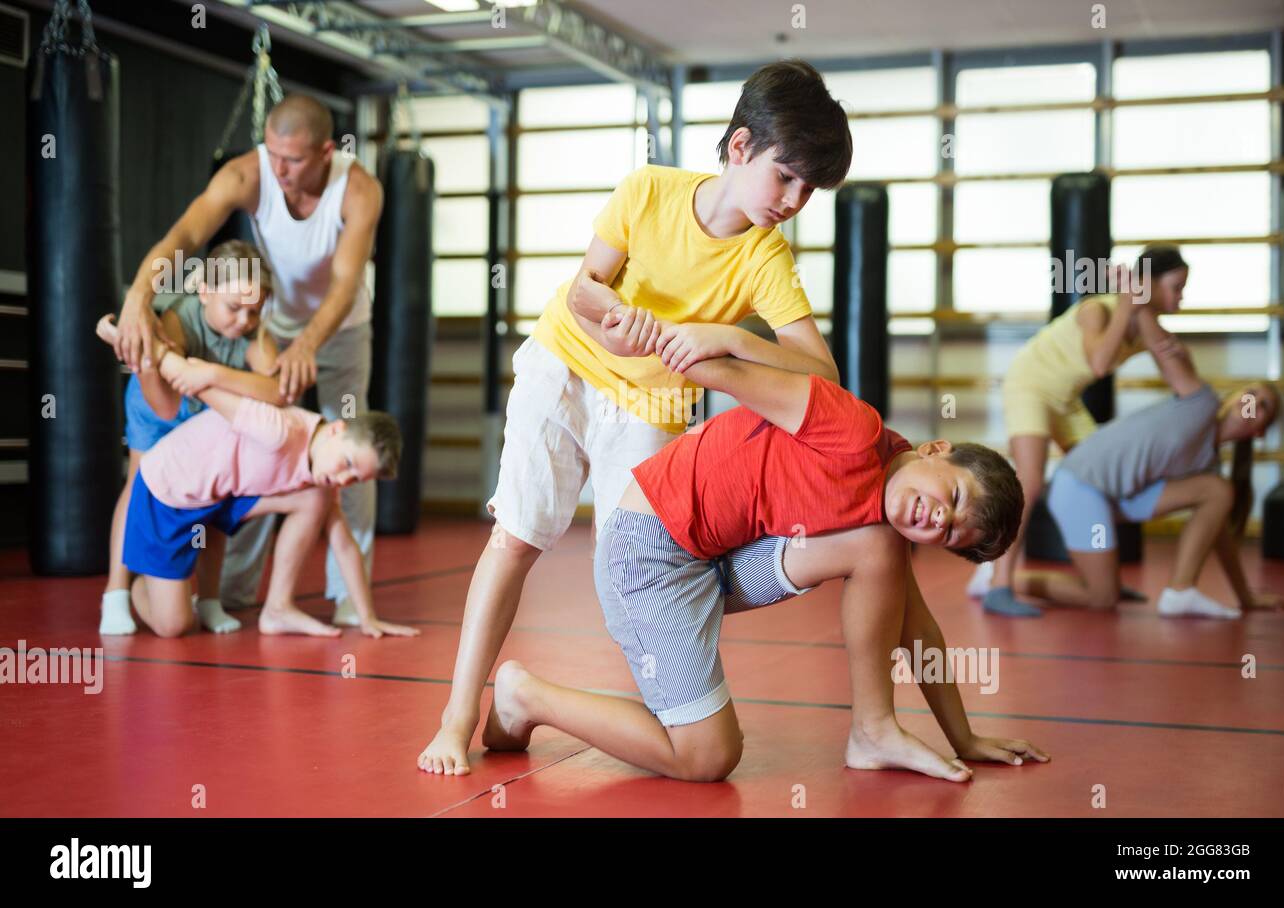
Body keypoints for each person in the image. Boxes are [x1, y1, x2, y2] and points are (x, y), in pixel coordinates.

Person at [419, 60, 854, 775]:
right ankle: (456, 716)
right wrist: (616, 319)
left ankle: (571, 703)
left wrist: (733, 337)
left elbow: (822, 373)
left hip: (651, 401)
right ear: (740, 147)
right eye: (787, 176)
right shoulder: (648, 189)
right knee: (518, 536)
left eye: (811, 189)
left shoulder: (765, 256)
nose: (795, 199)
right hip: (564, 364)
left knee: (640, 563)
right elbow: (586, 287)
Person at [424, 330, 1046, 782]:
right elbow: (724, 372)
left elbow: (920, 628)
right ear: (937, 448)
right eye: (954, 498)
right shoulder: (855, 432)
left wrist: (962, 737)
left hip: (712, 560)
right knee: (707, 757)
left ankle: (871, 731)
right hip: (649, 553)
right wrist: (687, 339)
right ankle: (524, 696)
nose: (937, 520)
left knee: (879, 549)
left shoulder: (881, 524)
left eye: (950, 535)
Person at [110, 94, 384, 628]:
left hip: (342, 329)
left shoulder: (358, 189)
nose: (279, 169)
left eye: (295, 160)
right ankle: (233, 590)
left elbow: (348, 281)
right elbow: (185, 237)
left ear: (327, 152)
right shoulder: (245, 175)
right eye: (273, 155)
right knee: (259, 442)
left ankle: (348, 594)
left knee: (349, 452)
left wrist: (308, 344)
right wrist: (138, 296)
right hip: (269, 322)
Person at [95, 316, 415, 640]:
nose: (344, 478)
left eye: (356, 479)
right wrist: (133, 341)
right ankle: (139, 586)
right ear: (336, 428)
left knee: (316, 500)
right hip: (170, 490)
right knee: (174, 627)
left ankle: (278, 608)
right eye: (347, 463)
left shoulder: (325, 475)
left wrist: (367, 618)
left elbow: (344, 545)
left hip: (221, 492)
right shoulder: (278, 430)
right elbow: (197, 384)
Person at [973, 245, 1193, 616]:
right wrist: (1126, 303)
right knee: (1030, 480)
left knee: (1102, 478)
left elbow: (1180, 363)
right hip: (1030, 384)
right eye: (1176, 286)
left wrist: (1139, 309)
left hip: (1065, 401)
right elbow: (1100, 362)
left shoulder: (1142, 323)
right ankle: (997, 583)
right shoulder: (1098, 310)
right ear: (1149, 283)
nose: (1181, 297)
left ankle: (1102, 574)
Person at [1011, 352, 1283, 617]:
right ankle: (1003, 580)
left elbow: (1217, 533)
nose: (1253, 402)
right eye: (1251, 393)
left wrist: (1245, 596)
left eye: (1264, 406)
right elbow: (1168, 353)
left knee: (1218, 491)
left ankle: (1180, 591)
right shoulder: (1200, 405)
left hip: (1113, 498)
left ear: (1259, 432)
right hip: (1081, 489)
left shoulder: (1208, 468)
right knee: (1102, 597)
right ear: (1235, 396)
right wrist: (1140, 308)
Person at [100, 240, 282, 636]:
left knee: (214, 496)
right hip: (161, 400)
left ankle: (210, 598)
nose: (244, 320)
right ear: (204, 291)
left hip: (207, 403)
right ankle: (116, 591)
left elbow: (277, 391)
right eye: (234, 308)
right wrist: (155, 361)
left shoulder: (255, 332)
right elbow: (166, 404)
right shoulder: (178, 321)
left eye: (254, 310)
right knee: (138, 482)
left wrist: (214, 375)